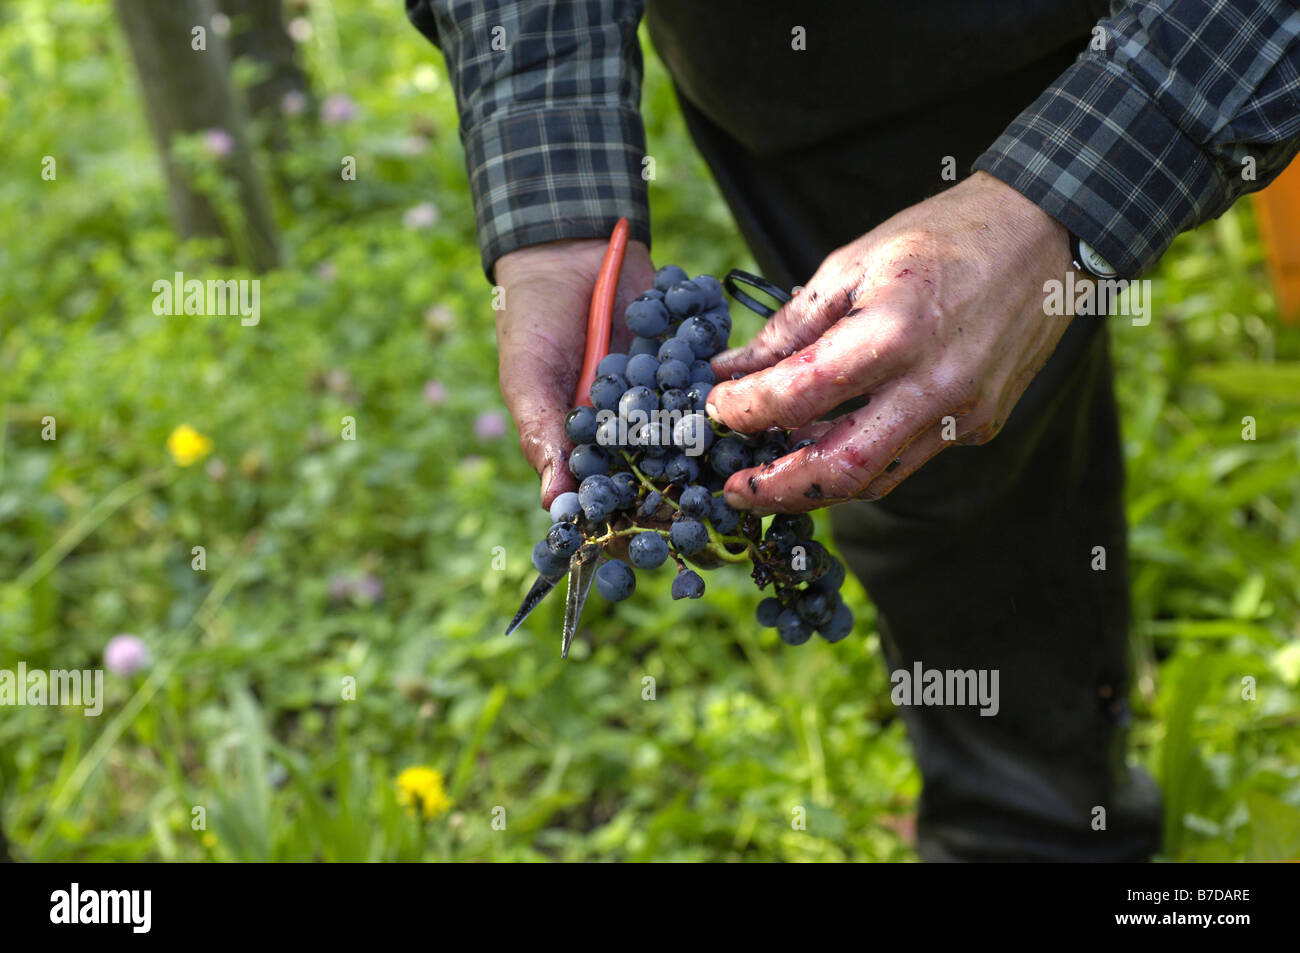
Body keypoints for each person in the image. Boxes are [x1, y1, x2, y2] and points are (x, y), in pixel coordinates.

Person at [406, 0, 1300, 861]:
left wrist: (1077, 192)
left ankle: (1041, 824)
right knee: (905, 440)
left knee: (932, 415)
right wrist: (554, 206)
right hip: (815, 69)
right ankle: (1024, 827)